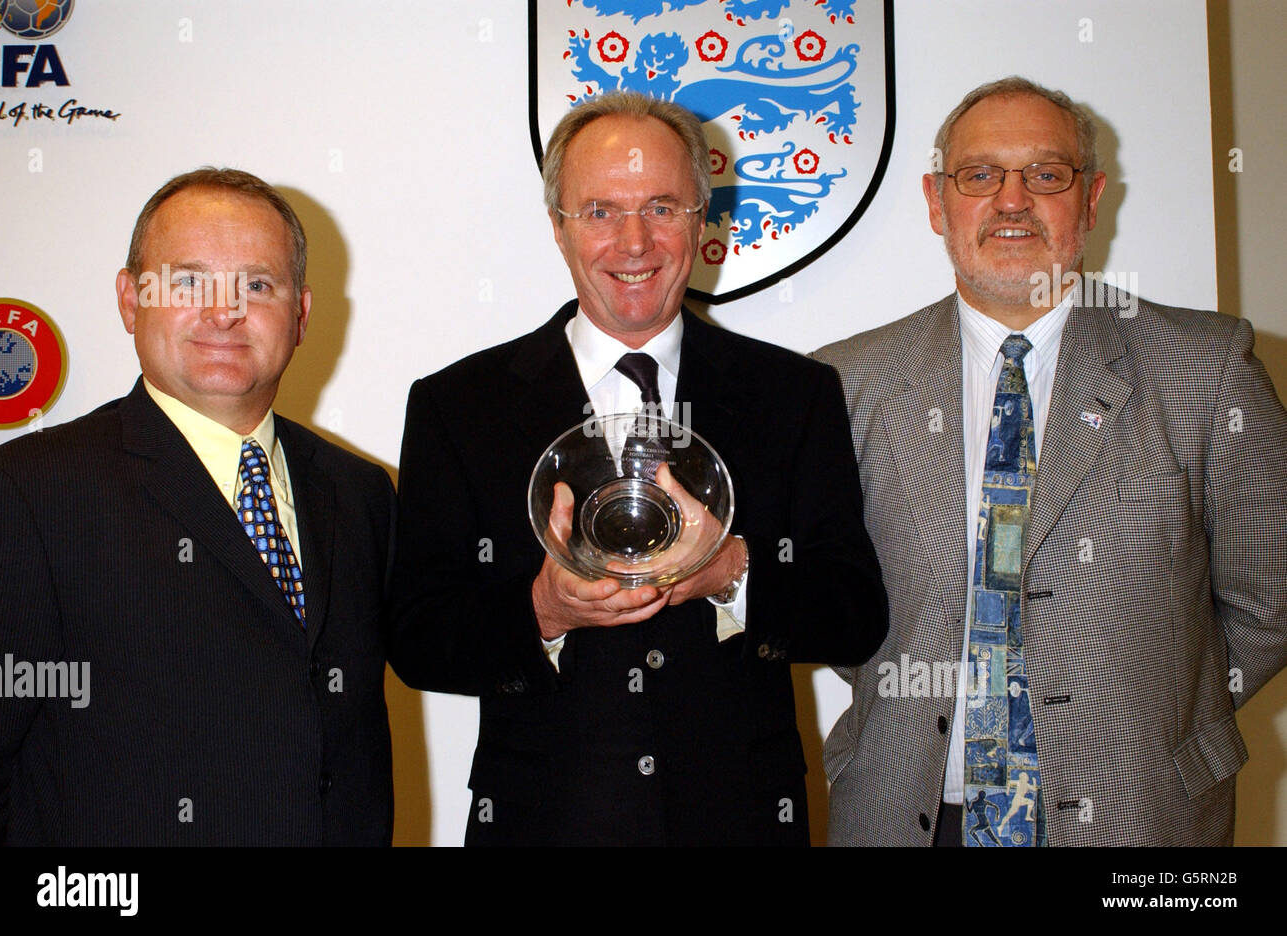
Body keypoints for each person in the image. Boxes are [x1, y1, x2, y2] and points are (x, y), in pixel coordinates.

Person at [388, 91, 887, 845]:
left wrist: (732, 572)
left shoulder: (796, 394)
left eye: (662, 206)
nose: (633, 241)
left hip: (743, 823)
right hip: (544, 824)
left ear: (701, 221)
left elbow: (853, 616)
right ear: (558, 227)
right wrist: (545, 609)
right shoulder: (458, 406)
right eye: (599, 211)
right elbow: (419, 638)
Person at [814, 76, 1287, 846]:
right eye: (979, 175)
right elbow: (842, 619)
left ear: (1091, 200)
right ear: (938, 202)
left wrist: (1164, 712)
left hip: (1139, 818)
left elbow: (1273, 597)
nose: (1011, 200)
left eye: (1045, 174)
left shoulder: (1207, 368)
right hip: (907, 819)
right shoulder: (843, 385)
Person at [0, 168, 395, 845]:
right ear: (129, 299)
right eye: (187, 282)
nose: (224, 311)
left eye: (258, 285)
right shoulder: (28, 493)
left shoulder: (359, 494)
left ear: (300, 312)